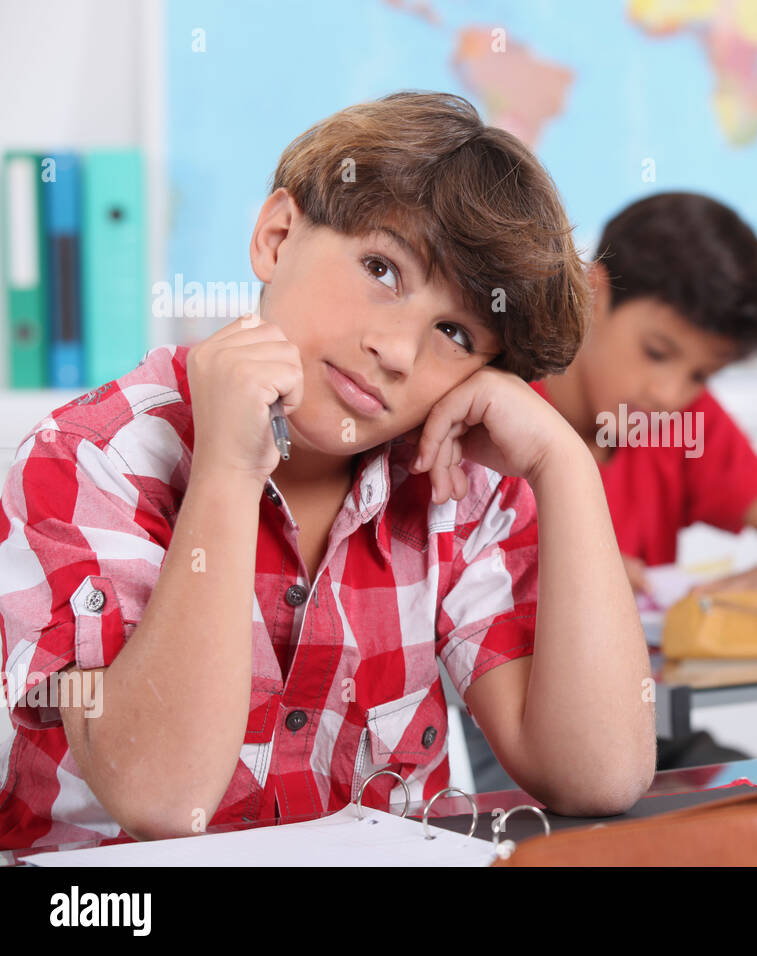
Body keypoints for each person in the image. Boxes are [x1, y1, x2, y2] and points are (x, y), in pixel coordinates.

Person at [0, 92, 655, 849]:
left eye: (454, 332)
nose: (400, 351)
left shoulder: (452, 489)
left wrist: (561, 462)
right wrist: (225, 471)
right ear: (277, 237)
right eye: (382, 268)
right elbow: (161, 797)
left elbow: (600, 773)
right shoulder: (93, 458)